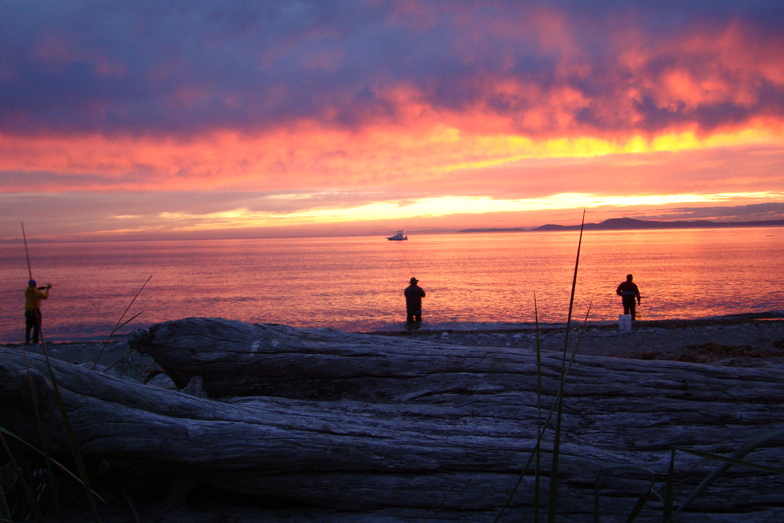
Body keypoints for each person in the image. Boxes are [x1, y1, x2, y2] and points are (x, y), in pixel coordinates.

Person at [25, 279, 51, 344]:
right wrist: (47, 290)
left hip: (28, 311)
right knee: (37, 326)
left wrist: (39, 288)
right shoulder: (37, 292)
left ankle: (27, 340)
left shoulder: (26, 291)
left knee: (28, 327)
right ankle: (35, 341)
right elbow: (45, 297)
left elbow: (33, 291)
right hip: (35, 311)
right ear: (35, 284)